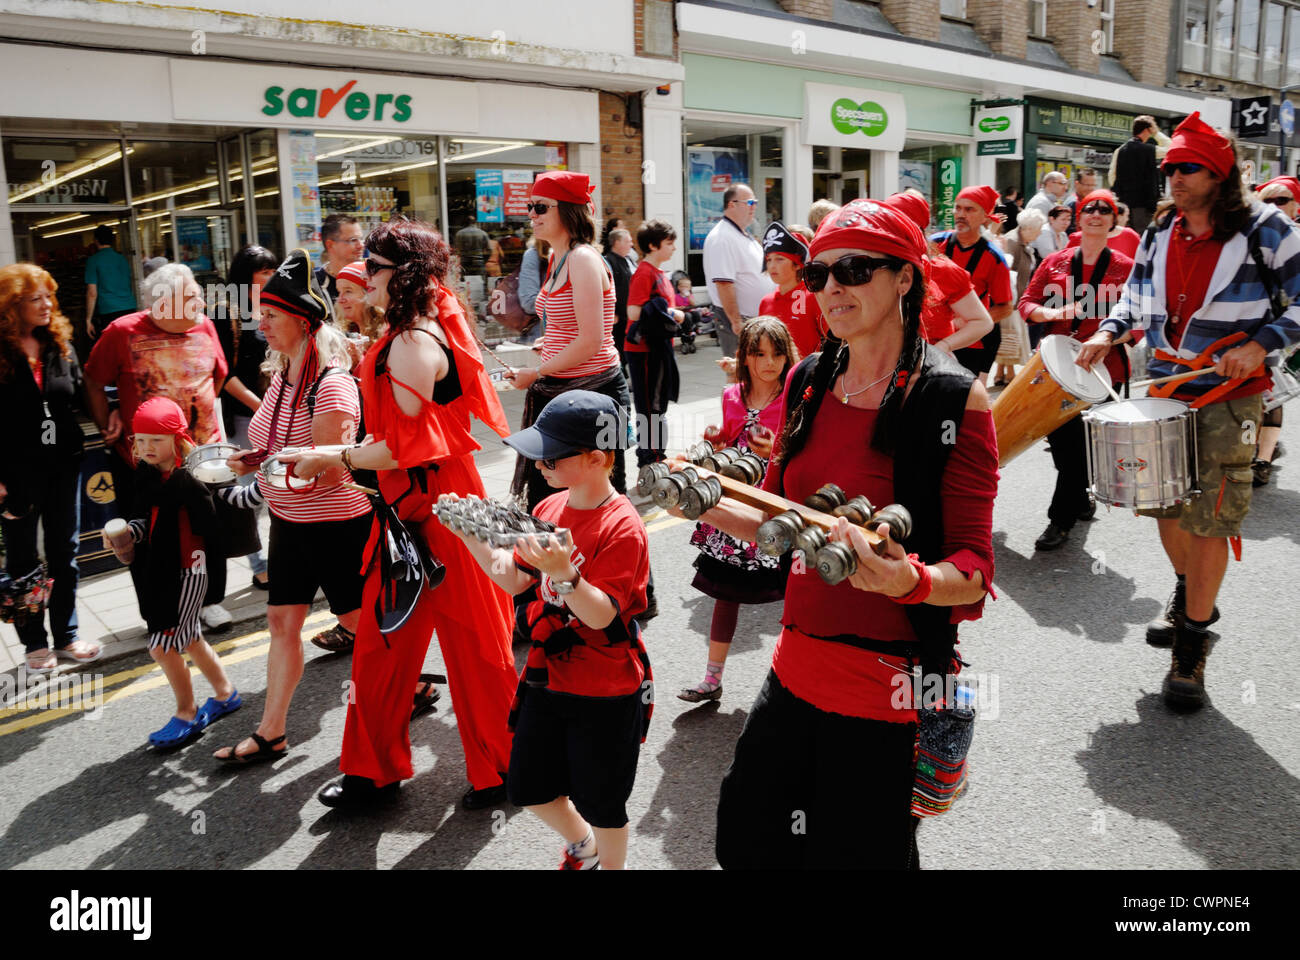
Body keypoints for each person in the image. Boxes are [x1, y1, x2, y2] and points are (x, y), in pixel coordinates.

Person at [692, 199, 996, 868]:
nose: (832, 288)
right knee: (746, 842)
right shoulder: (807, 379)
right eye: (818, 273)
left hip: (888, 689)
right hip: (795, 667)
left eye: (854, 270)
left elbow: (973, 571)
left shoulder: (952, 399)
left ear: (905, 280)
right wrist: (703, 499)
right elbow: (778, 515)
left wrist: (905, 578)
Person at [285, 219, 518, 811]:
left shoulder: (415, 342)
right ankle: (373, 773)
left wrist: (331, 455)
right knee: (383, 647)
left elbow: (404, 444)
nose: (366, 278)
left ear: (401, 275)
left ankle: (505, 769)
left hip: (442, 506)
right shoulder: (407, 334)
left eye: (375, 268)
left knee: (477, 645)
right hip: (408, 507)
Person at [1078, 112, 1300, 710]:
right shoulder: (1160, 230)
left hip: (1230, 395)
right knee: (1161, 505)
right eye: (1170, 166)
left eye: (1188, 167)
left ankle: (1192, 647)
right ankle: (1191, 593)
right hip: (1166, 386)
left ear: (1220, 173)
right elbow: (1135, 295)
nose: (1173, 175)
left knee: (1212, 517)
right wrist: (1111, 331)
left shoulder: (1266, 228)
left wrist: (1260, 343)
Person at [445, 389, 650, 869]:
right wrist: (471, 538)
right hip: (547, 679)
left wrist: (566, 575)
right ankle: (584, 845)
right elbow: (514, 577)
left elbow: (601, 617)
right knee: (529, 788)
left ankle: (609, 862)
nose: (540, 467)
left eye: (551, 458)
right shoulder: (553, 508)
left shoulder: (623, 527)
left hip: (604, 690)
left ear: (597, 458)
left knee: (603, 802)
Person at [208, 249, 372, 764]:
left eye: (271, 315)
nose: (262, 324)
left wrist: (257, 484)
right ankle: (271, 731)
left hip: (336, 525)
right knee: (282, 621)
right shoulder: (281, 377)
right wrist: (254, 459)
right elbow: (284, 448)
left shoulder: (333, 384)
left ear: (302, 322)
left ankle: (407, 688)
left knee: (360, 624)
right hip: (290, 523)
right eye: (261, 313)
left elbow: (328, 466)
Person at [83, 263, 233, 631]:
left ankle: (210, 600)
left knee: (206, 531)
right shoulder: (122, 332)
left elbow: (218, 377)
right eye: (191, 293)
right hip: (144, 462)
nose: (200, 297)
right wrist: (108, 422)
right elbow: (93, 379)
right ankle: (160, 610)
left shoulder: (206, 325)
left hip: (200, 459)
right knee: (150, 539)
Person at [678, 317, 795, 704]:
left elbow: (798, 451)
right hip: (732, 509)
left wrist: (773, 447)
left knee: (794, 596)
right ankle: (712, 679)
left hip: (773, 504)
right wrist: (713, 441)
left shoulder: (795, 396)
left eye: (777, 353)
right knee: (724, 594)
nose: (769, 362)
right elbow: (728, 443)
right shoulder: (731, 397)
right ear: (744, 356)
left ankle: (791, 683)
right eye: (759, 353)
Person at [120, 397, 241, 749]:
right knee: (189, 638)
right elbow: (145, 522)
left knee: (161, 645)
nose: (146, 448)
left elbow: (211, 531)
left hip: (191, 570)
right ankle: (225, 693)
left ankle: (187, 712)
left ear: (177, 439)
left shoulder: (192, 479)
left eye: (155, 440)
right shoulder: (145, 475)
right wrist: (130, 533)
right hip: (161, 570)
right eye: (140, 440)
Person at [507, 171, 632, 510]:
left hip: (595, 393)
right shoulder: (558, 257)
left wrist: (537, 372)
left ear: (568, 210)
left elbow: (592, 340)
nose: (531, 213)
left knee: (596, 502)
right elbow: (574, 327)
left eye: (540, 207)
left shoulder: (582, 259)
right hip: (568, 391)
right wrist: (549, 342)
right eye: (531, 206)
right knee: (558, 498)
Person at [1020, 189, 1135, 551]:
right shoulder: (1054, 260)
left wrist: (1106, 341)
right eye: (1089, 208)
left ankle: (1060, 519)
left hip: (1103, 370)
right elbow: (1026, 303)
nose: (1096, 213)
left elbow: (1141, 322)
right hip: (1055, 368)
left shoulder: (1126, 268)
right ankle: (1081, 494)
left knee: (1076, 448)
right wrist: (1049, 314)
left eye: (1105, 209)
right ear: (1078, 217)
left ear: (1114, 220)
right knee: (1063, 448)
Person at [0, 264, 102, 671]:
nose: (46, 305)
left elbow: (80, 393)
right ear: (11, 306)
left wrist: (109, 417)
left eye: (49, 297)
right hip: (16, 474)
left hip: (63, 466)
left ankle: (66, 635)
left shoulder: (61, 345)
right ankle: (33, 644)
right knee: (23, 560)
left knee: (65, 552)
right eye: (35, 298)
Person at [213, 244, 278, 591]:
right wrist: (260, 407)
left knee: (280, 484)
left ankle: (282, 555)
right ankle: (259, 563)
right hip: (244, 416)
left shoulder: (272, 306)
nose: (270, 277)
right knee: (250, 491)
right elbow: (223, 373)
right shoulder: (226, 313)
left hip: (278, 412)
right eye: (263, 271)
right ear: (244, 276)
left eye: (272, 271)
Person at [884, 191, 995, 357]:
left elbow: (982, 322)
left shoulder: (944, 270)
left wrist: (943, 346)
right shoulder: (871, 267)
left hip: (929, 369)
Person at [929, 185, 1015, 385]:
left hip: (974, 343)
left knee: (964, 402)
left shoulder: (994, 257)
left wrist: (969, 322)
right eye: (958, 208)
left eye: (969, 209)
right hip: (933, 337)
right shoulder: (934, 244)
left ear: (985, 216)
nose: (961, 214)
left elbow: (1005, 307)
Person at [1252, 177, 1300, 484]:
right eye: (1266, 202)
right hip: (1249, 324)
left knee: (1272, 393)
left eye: (1281, 201)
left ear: (1296, 205)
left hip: (1285, 329)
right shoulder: (1244, 234)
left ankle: (1262, 459)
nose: (1273, 208)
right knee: (1253, 394)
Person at [625, 219, 684, 470]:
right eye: (669, 243)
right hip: (644, 351)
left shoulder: (658, 273)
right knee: (650, 408)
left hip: (657, 348)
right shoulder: (644, 272)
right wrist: (670, 311)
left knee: (657, 406)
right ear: (652, 245)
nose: (673, 248)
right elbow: (633, 312)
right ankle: (649, 462)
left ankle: (656, 457)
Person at [704, 183, 776, 362]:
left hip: (754, 319)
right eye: (749, 202)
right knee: (739, 372)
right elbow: (724, 283)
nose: (754, 207)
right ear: (731, 204)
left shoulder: (741, 234)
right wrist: (736, 322)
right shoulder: (722, 237)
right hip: (739, 320)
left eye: (755, 202)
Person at [757, 221, 826, 359]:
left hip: (807, 376)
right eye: (769, 260)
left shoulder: (813, 296)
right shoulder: (766, 301)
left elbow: (835, 338)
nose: (772, 266)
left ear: (797, 265)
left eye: (779, 259)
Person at [994, 208, 1044, 385]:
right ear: (1029, 228)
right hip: (1010, 298)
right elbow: (1006, 273)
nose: (1039, 234)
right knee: (1011, 336)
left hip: (1018, 298)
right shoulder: (1013, 242)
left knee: (1010, 336)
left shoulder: (1021, 242)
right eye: (1038, 229)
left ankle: (1001, 373)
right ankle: (1009, 374)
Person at [84, 225, 137, 339]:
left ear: (96, 240)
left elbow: (92, 293)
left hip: (109, 311)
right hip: (129, 308)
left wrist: (88, 319)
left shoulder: (93, 261)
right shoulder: (122, 259)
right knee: (130, 345)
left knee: (113, 347)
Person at [1113, 116, 1161, 234]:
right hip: (1143, 206)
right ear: (1145, 130)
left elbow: (1118, 178)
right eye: (1150, 132)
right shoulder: (1148, 149)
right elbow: (1151, 179)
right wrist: (1153, 204)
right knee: (1143, 238)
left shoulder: (1122, 149)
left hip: (1126, 206)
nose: (1150, 135)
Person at [603, 227, 636, 368]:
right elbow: (606, 289)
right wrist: (612, 312)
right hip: (617, 317)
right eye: (628, 241)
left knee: (625, 348)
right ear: (616, 243)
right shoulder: (607, 261)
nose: (631, 244)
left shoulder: (626, 260)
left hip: (626, 315)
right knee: (618, 349)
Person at [315, 214, 364, 304]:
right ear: (330, 245)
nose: (361, 245)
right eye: (353, 240)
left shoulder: (370, 279)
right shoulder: (315, 287)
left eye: (361, 239)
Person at [333, 259, 369, 336]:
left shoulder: (387, 334)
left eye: (348, 291)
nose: (340, 300)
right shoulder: (345, 334)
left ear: (369, 293)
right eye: (339, 292)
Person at [1067, 167, 1099, 233]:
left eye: (1093, 185)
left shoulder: (1091, 203)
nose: (1090, 188)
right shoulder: (1072, 203)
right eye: (1087, 185)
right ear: (1077, 184)